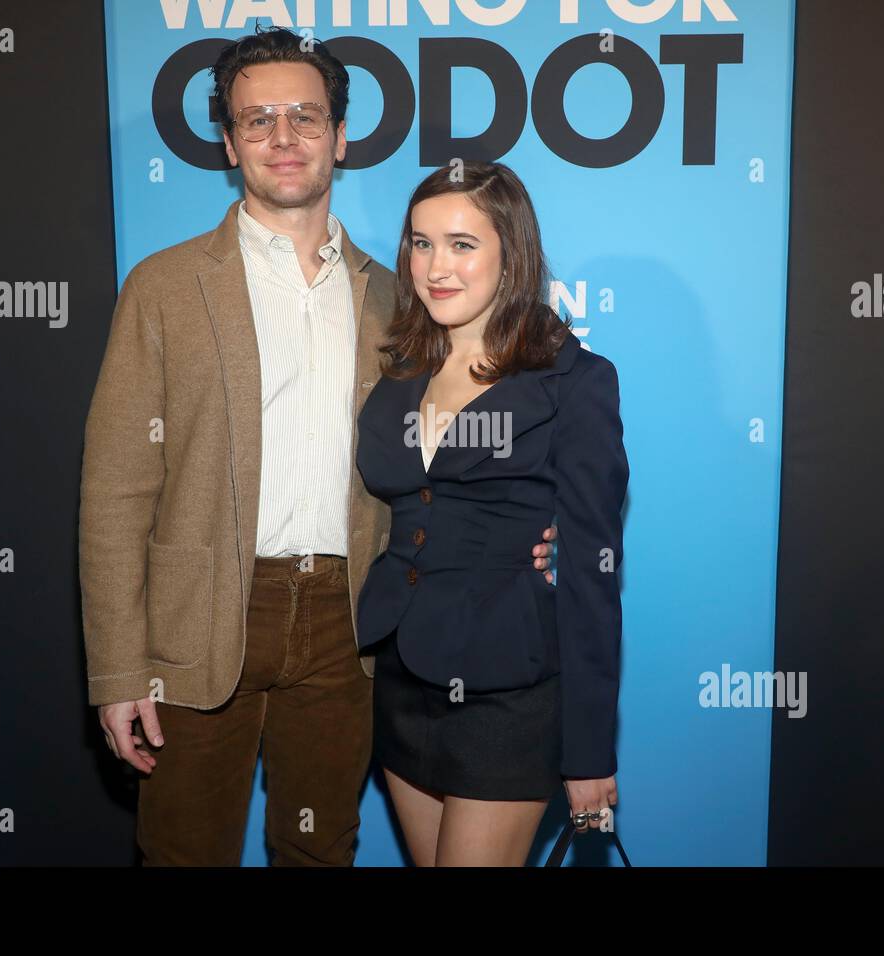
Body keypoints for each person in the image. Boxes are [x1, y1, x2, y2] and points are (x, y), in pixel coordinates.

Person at [78, 26, 558, 866]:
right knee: (182, 852)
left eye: (305, 116)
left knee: (319, 851)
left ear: (339, 136)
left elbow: (454, 457)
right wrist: (117, 669)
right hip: (199, 619)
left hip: (349, 623)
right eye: (256, 119)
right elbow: (116, 491)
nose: (282, 137)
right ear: (229, 143)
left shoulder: (398, 300)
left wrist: (538, 538)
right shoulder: (163, 286)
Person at [354, 161, 630, 866]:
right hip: (403, 677)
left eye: (461, 244)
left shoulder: (574, 381)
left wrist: (589, 753)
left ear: (512, 254)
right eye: (420, 243)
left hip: (509, 691)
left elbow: (594, 575)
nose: (435, 267)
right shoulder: (399, 370)